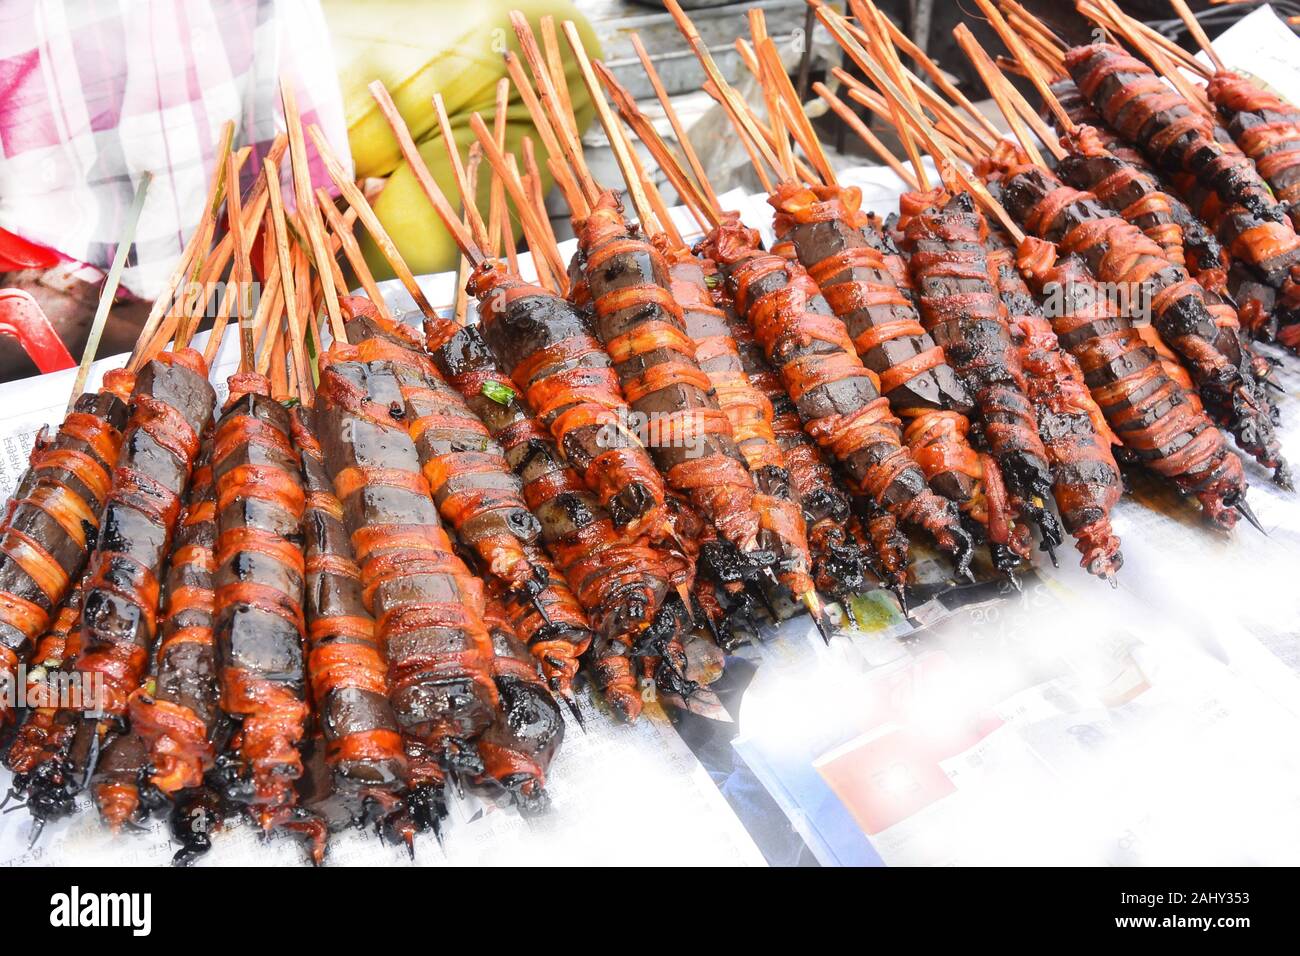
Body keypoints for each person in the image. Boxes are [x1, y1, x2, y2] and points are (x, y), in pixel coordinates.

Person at [0, 0, 598, 381]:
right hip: (85, 213)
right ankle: (367, 342)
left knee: (542, 34)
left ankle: (373, 324)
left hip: (231, 68)